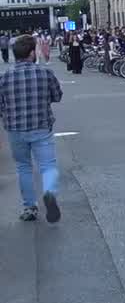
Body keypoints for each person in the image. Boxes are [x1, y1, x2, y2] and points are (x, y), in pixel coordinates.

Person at [2, 35, 64, 223]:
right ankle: (49, 192)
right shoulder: (45, 73)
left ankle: (29, 207)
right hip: (41, 126)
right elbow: (57, 96)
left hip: (15, 129)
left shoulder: (4, 78)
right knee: (47, 165)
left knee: (23, 167)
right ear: (31, 54)